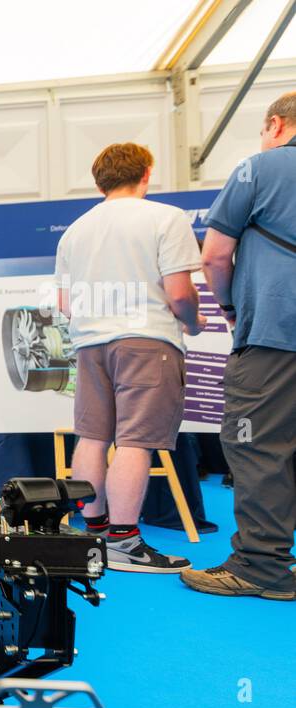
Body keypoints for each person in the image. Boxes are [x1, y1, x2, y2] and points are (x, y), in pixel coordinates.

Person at [54, 143, 202, 573]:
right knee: (135, 441)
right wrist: (193, 324)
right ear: (146, 173)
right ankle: (124, 542)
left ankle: (96, 531)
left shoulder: (74, 231)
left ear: (100, 180)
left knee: (93, 436)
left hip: (90, 343)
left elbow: (65, 304)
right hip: (147, 340)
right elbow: (178, 293)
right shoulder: (165, 218)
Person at [183, 91, 296, 601]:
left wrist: (231, 309)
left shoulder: (260, 168)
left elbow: (214, 257)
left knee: (258, 447)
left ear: (276, 124)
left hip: (273, 332)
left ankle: (261, 565)